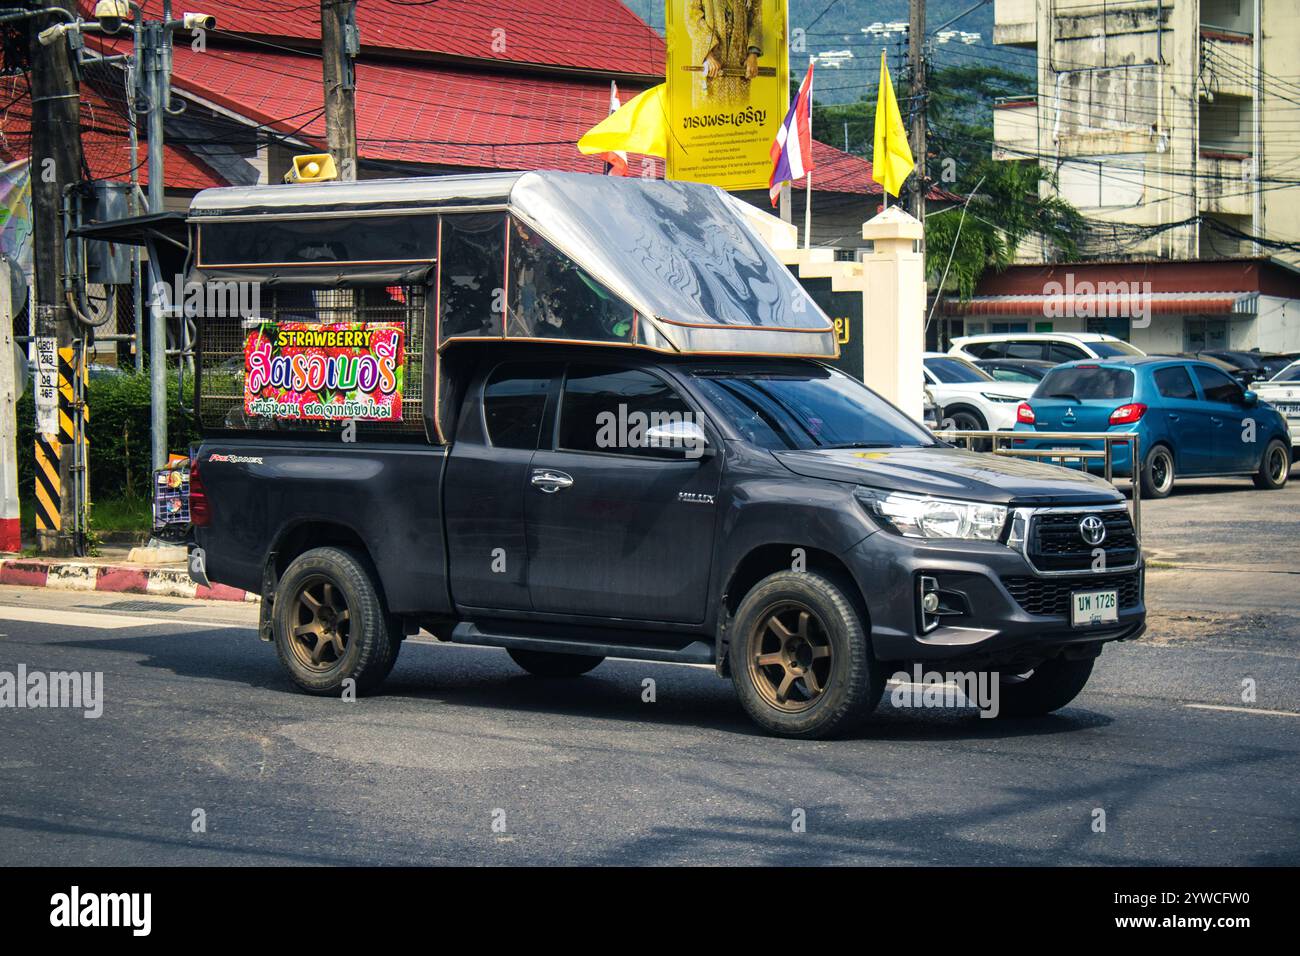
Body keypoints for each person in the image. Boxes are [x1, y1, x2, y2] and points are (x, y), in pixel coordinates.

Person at [689, 0, 762, 106]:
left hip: (739, 64)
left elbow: (756, 14)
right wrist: (708, 54)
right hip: (710, 64)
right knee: (708, 114)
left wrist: (753, 54)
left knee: (739, 116)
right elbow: (692, 15)